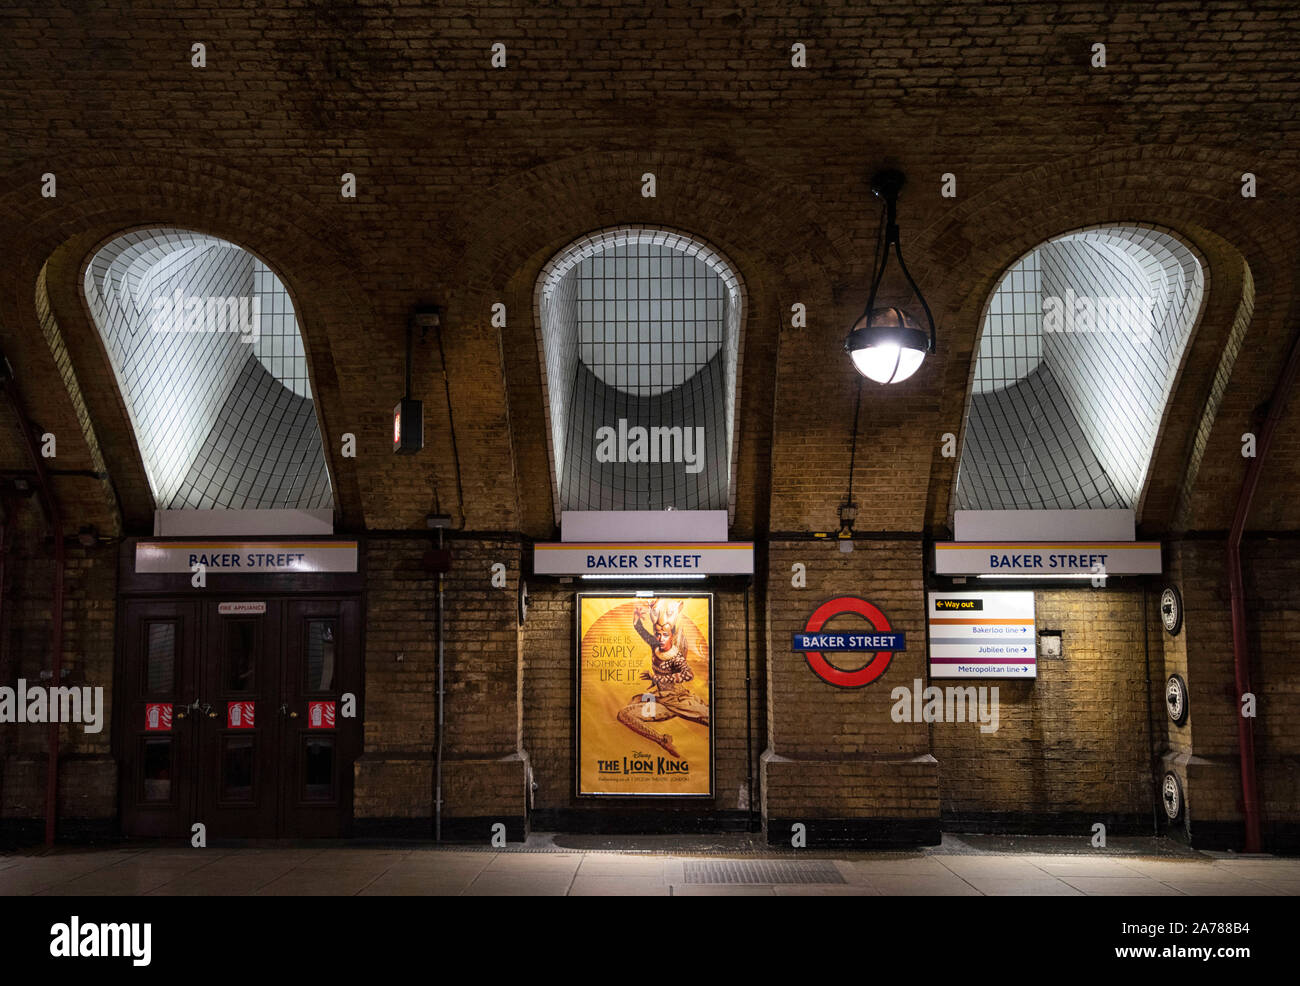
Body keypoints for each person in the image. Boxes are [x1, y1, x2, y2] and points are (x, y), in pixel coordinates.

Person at [616, 598, 710, 759]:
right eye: (658, 634)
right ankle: (663, 740)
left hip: (679, 700)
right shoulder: (655, 645)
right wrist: (637, 616)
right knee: (625, 714)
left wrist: (661, 680)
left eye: (665, 635)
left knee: (709, 718)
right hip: (661, 701)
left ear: (671, 636)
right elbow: (640, 629)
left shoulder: (676, 656)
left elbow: (689, 674)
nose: (660, 638)